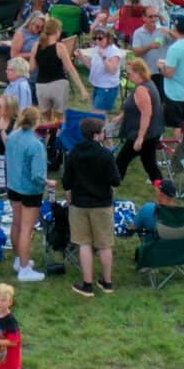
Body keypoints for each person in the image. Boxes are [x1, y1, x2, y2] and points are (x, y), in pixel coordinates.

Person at [61, 115, 119, 298]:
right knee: (105, 244)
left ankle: (87, 285)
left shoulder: (74, 153)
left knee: (84, 244)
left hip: (79, 204)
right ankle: (107, 282)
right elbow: (115, 180)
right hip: (102, 204)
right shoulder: (106, 155)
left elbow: (66, 181)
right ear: (97, 135)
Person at [3, 106, 50, 283]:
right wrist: (48, 182)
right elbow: (38, 175)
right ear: (37, 122)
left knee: (16, 223)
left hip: (13, 186)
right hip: (30, 190)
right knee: (26, 228)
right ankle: (24, 268)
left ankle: (18, 259)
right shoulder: (36, 145)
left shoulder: (13, 136)